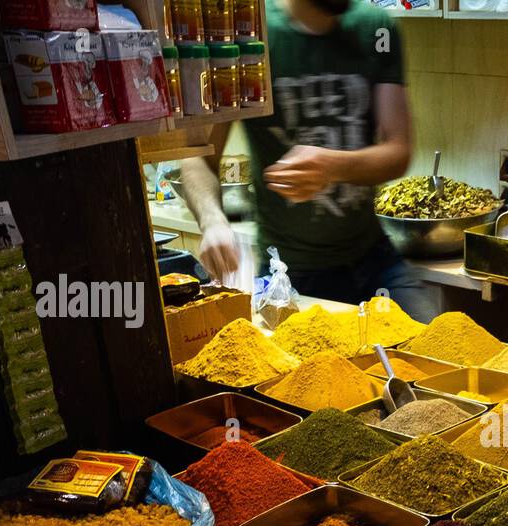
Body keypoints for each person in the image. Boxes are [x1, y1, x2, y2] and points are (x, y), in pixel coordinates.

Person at [178, 0, 434, 320]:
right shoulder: (249, 36)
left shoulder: (376, 28)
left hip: (376, 264)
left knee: (429, 351)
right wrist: (213, 222)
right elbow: (196, 155)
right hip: (290, 276)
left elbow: (398, 151)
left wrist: (332, 167)